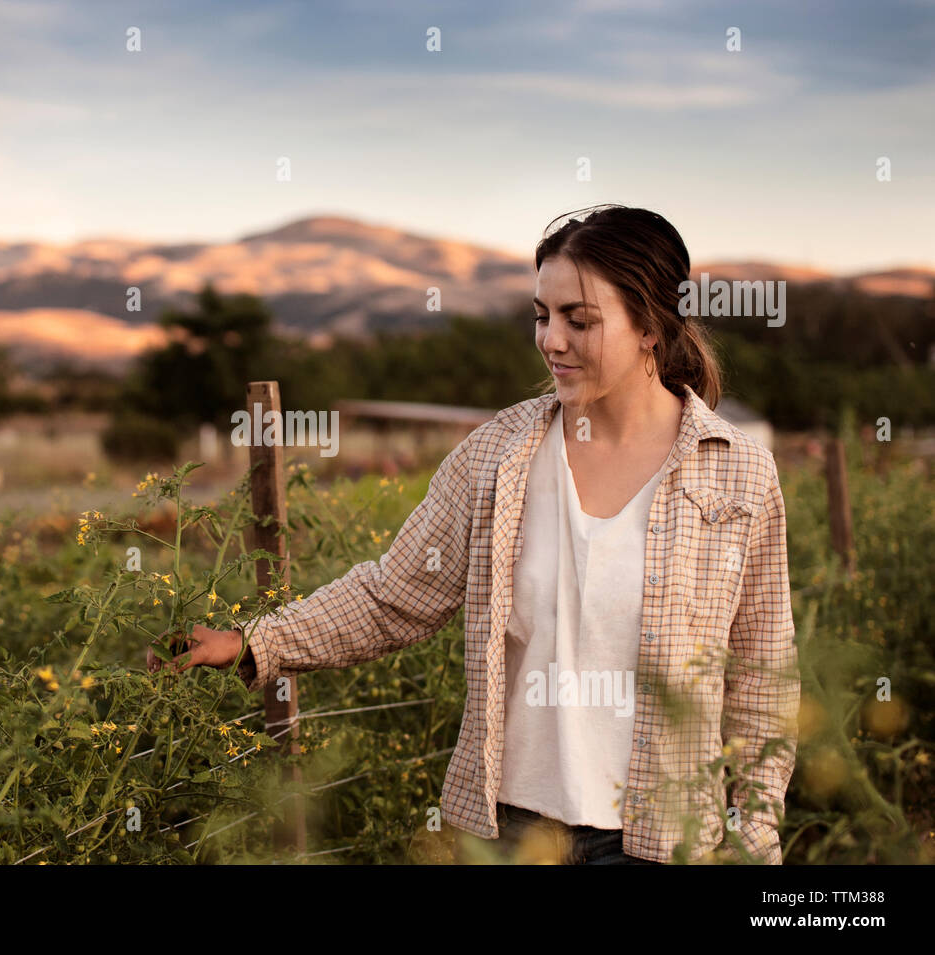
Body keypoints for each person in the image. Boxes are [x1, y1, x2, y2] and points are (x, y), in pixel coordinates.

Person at [149, 204, 800, 865]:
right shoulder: (496, 455)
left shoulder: (737, 471)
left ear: (651, 327)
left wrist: (753, 839)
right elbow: (392, 595)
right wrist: (256, 641)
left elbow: (761, 677)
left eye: (580, 320)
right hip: (512, 835)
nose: (551, 339)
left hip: (665, 842)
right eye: (542, 315)